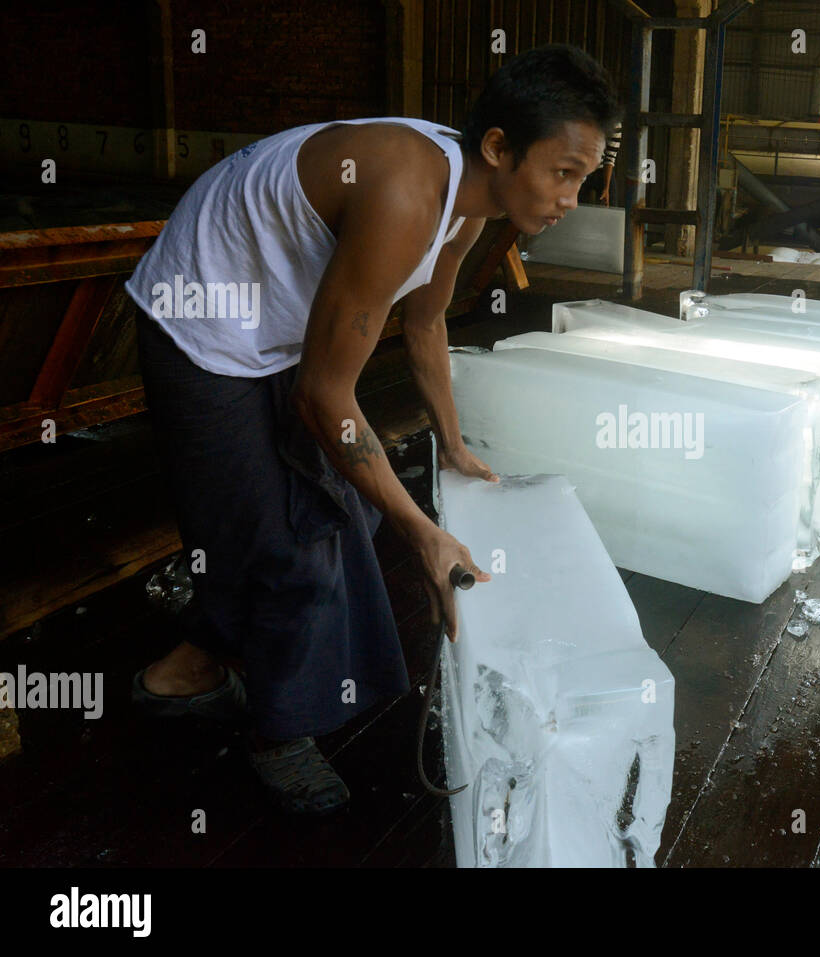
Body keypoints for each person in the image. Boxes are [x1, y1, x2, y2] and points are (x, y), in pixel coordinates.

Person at [123, 44, 621, 814]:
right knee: (289, 530)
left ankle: (190, 669)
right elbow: (326, 397)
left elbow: (423, 322)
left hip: (277, 321)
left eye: (582, 178)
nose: (572, 198)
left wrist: (450, 443)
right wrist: (422, 532)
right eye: (563, 172)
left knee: (331, 503)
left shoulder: (469, 201)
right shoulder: (405, 193)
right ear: (498, 147)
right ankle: (277, 732)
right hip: (201, 321)